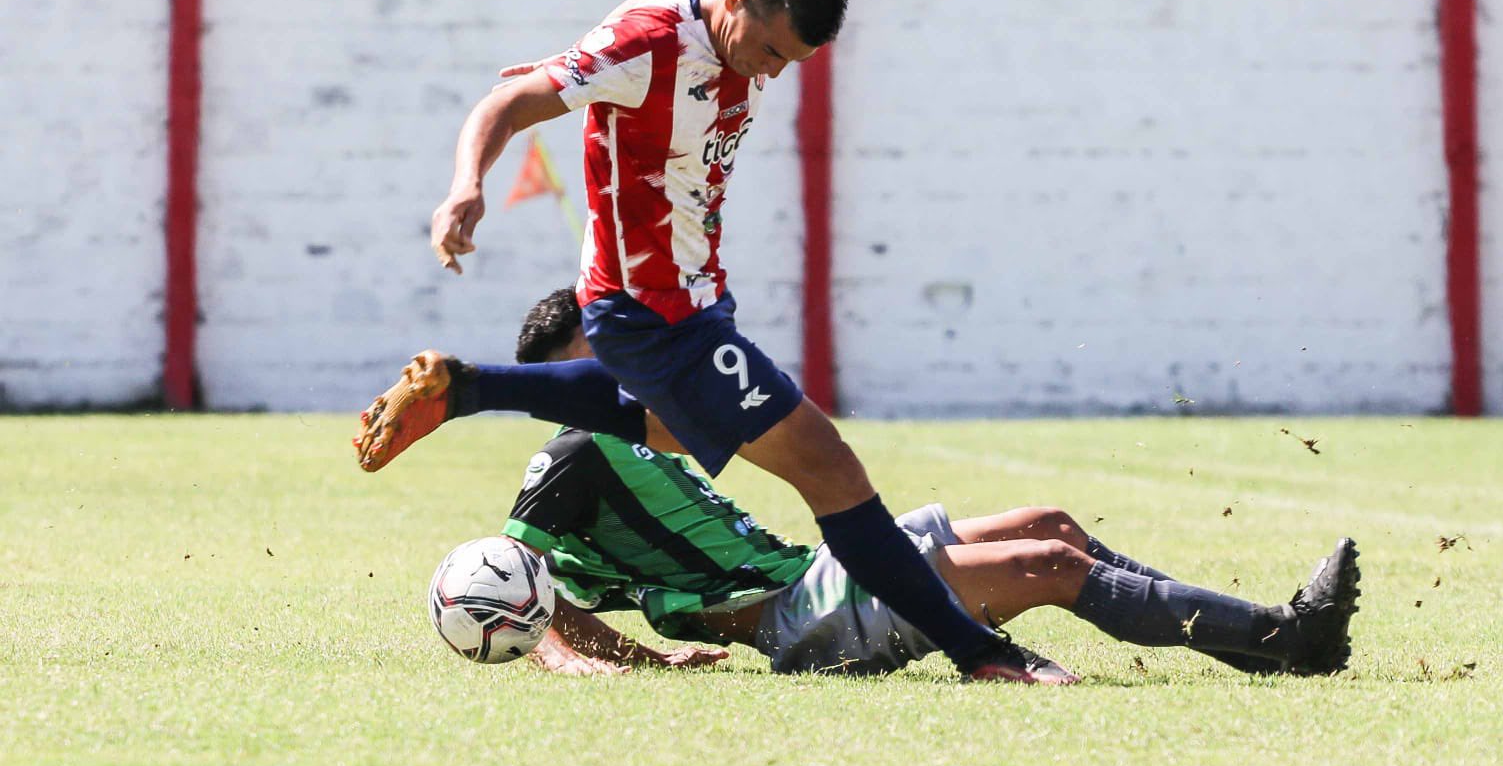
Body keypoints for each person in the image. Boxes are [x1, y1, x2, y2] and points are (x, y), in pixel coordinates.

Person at [398, 0, 1075, 682]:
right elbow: (509, 102)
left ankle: (469, 389)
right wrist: (468, 185)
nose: (772, 69)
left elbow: (615, 47)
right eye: (769, 48)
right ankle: (978, 654)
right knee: (831, 469)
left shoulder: (720, 6)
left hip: (697, 297)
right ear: (738, 1)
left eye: (791, 61)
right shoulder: (650, 43)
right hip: (649, 311)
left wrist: (575, 62)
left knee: (672, 433)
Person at [362, 291, 1362, 681]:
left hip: (827, 568)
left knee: (1054, 521)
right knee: (1050, 563)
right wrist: (619, 664)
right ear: (565, 368)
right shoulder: (576, 451)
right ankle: (1288, 638)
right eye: (597, 349)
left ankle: (1261, 652)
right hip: (806, 616)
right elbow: (523, 586)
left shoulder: (653, 421)